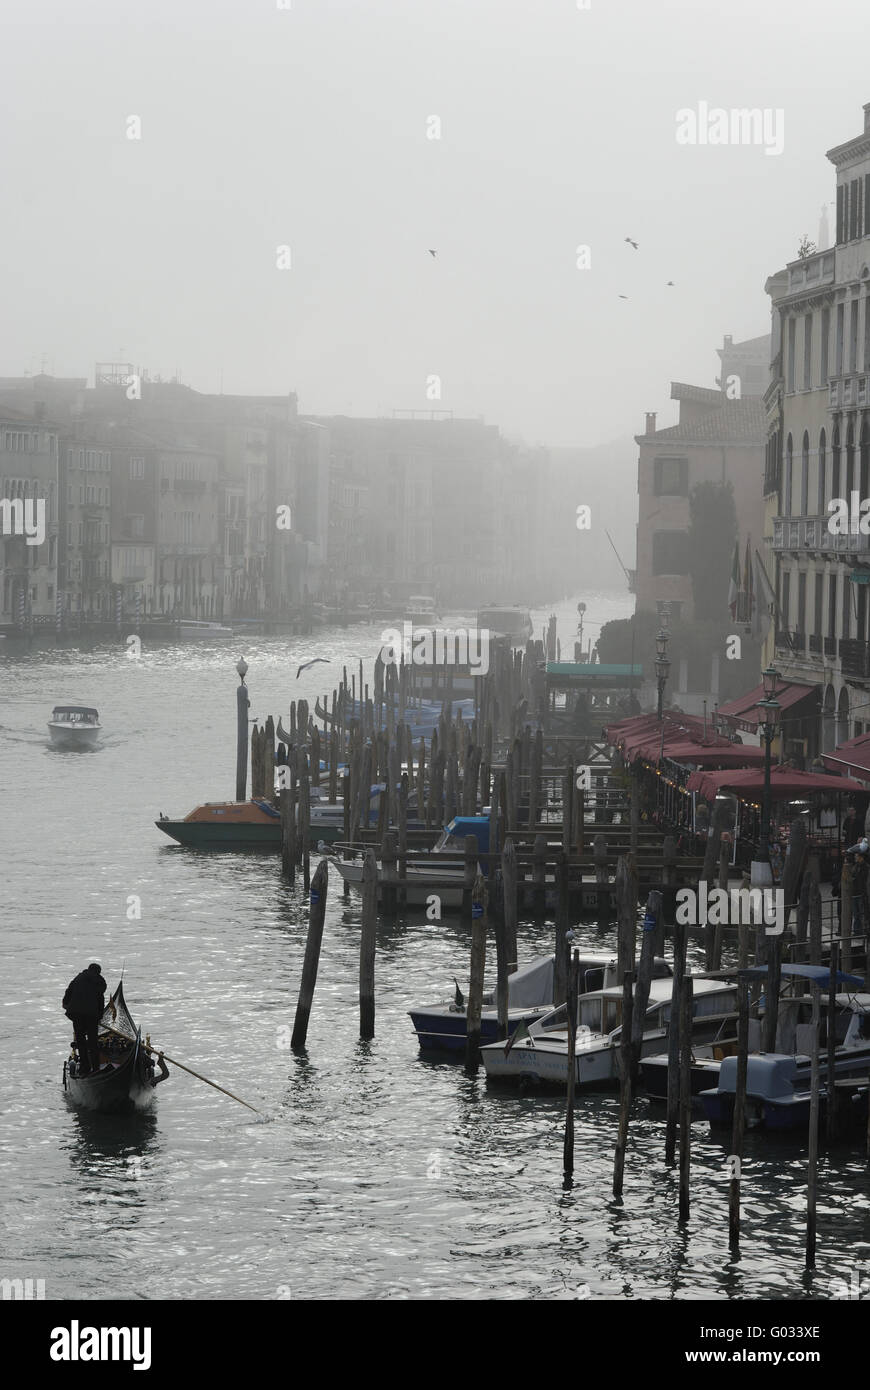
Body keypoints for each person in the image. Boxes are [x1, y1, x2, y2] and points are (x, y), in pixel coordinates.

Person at [62, 962, 107, 1076]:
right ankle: (96, 1068)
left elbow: (68, 992)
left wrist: (66, 1004)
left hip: (76, 1014)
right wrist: (100, 1016)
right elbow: (100, 999)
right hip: (91, 1015)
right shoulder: (98, 981)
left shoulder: (78, 978)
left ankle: (84, 1067)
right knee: (93, 1041)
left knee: (80, 1041)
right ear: (98, 972)